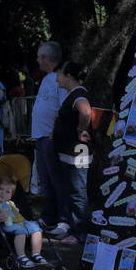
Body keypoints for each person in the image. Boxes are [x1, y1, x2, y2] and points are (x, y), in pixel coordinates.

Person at [52, 59, 92, 242]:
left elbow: (85, 112)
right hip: (70, 152)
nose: (57, 79)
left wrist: (81, 129)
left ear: (68, 75)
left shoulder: (78, 94)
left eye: (59, 75)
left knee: (78, 191)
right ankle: (72, 227)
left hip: (78, 152)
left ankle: (80, 233)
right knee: (72, 189)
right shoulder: (72, 94)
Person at [31, 42, 67, 230]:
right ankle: (49, 216)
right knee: (46, 181)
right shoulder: (47, 79)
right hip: (41, 137)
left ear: (46, 58)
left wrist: (55, 132)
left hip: (51, 137)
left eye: (39, 56)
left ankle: (63, 219)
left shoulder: (60, 79)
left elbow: (64, 108)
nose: (37, 60)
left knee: (57, 180)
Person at [0, 175, 45, 268]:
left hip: (21, 221)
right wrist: (3, 213)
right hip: (7, 224)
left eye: (7, 192)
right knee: (20, 230)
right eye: (0, 189)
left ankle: (36, 254)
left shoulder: (11, 203)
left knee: (36, 228)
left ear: (11, 195)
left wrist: (14, 209)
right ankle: (21, 256)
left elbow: (17, 213)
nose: (3, 193)